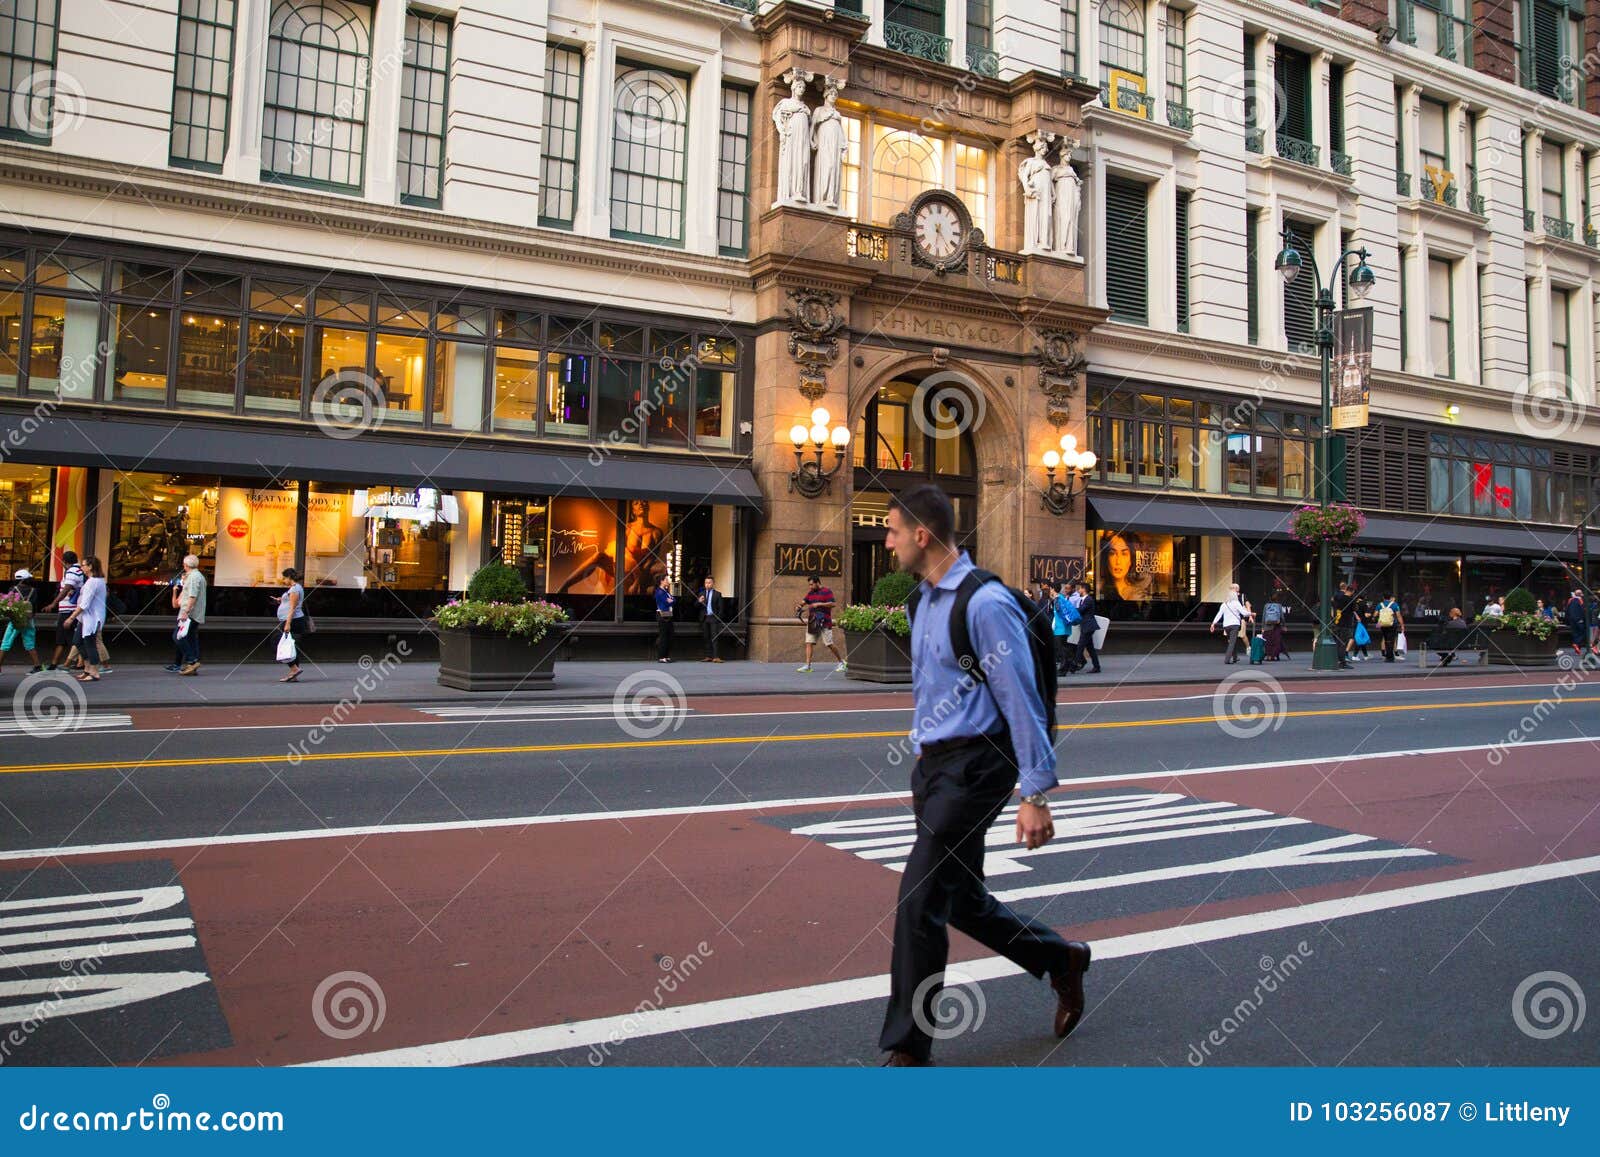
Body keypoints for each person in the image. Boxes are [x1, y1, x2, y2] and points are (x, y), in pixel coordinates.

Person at [877, 483, 1089, 1067]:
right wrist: (923, 755)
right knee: (962, 899)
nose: (887, 540)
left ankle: (908, 1048)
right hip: (939, 768)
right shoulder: (921, 602)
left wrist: (1035, 793)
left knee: (919, 898)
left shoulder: (985, 603)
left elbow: (1021, 698)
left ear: (922, 535)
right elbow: (932, 690)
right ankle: (1060, 959)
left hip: (979, 766)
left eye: (892, 530)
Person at [61, 556, 106, 682]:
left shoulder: (94, 582)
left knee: (89, 643)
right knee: (78, 641)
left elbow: (85, 604)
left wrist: (71, 618)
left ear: (90, 566)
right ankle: (87, 668)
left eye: (84, 565)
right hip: (85, 617)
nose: (81, 567)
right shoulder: (93, 580)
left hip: (91, 617)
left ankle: (94, 672)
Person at [42, 550, 85, 670]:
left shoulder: (72, 571)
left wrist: (53, 604)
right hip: (70, 609)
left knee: (66, 638)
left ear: (64, 562)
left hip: (68, 609)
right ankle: (59, 663)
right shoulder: (79, 570)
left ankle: (82, 661)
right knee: (67, 637)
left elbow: (66, 589)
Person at [795, 576, 846, 673]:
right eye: (809, 584)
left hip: (825, 621)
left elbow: (833, 604)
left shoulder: (827, 591)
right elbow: (803, 602)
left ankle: (841, 662)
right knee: (809, 642)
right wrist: (799, 606)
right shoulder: (810, 593)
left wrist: (819, 604)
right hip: (813, 621)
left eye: (811, 584)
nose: (810, 586)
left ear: (817, 583)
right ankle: (808, 666)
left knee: (829, 643)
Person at [0, 569, 43, 674]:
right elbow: (35, 607)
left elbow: (9, 605)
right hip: (29, 620)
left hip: (16, 620)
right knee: (30, 643)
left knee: (5, 643)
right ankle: (37, 666)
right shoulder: (34, 590)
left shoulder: (13, 589)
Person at [175, 553, 207, 676]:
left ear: (186, 565)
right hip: (196, 613)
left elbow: (192, 595)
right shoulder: (198, 576)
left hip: (190, 614)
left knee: (178, 636)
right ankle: (193, 662)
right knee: (191, 637)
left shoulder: (193, 577)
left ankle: (191, 660)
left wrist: (186, 612)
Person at [275, 566, 309, 682]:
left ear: (289, 577)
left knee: (277, 642)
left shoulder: (294, 589)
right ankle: (294, 674)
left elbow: (293, 608)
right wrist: (281, 600)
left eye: (284, 578)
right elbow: (291, 602)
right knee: (292, 647)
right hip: (296, 620)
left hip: (293, 621)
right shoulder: (296, 588)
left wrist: (287, 624)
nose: (284, 580)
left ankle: (294, 669)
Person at [1210, 582, 1250, 664]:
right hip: (1234, 625)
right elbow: (1244, 613)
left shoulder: (1224, 604)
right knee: (1232, 642)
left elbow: (1219, 615)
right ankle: (1227, 660)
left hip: (1226, 626)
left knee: (1232, 640)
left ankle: (1235, 657)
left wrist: (1213, 624)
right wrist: (1252, 614)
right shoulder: (1236, 603)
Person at [1072, 581, 1102, 674]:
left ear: (1084, 589)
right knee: (1090, 648)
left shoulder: (1088, 599)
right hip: (1087, 626)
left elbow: (1081, 610)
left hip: (1088, 627)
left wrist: (1070, 608)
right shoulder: (1084, 599)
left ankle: (1074, 666)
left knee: (1080, 646)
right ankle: (1097, 667)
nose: (1078, 590)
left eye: (1080, 588)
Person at [695, 576, 726, 663]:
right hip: (704, 618)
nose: (707, 584)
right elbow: (695, 606)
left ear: (713, 583)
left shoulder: (717, 594)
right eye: (706, 583)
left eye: (709, 583)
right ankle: (708, 656)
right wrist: (699, 601)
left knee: (714, 637)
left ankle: (716, 656)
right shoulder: (701, 593)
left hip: (713, 618)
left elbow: (721, 608)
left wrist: (717, 618)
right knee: (706, 637)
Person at [1331, 582, 1356, 669]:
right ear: (1352, 591)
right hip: (1346, 624)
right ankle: (1342, 662)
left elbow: (1333, 604)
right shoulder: (1351, 600)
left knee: (1338, 643)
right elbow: (1354, 609)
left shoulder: (1339, 598)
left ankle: (1338, 660)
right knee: (1343, 643)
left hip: (1338, 622)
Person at [1375, 592, 1404, 663]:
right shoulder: (1394, 605)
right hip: (1392, 625)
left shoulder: (1380, 605)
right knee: (1391, 640)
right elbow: (1398, 615)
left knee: (1386, 640)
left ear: (1383, 597)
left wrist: (1378, 622)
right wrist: (1402, 625)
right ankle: (1390, 657)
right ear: (1390, 597)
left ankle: (1387, 656)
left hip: (1383, 625)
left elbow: (1375, 615)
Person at [1262, 588, 1289, 661]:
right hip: (1276, 626)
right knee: (1276, 642)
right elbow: (1282, 617)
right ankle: (1273, 656)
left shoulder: (1266, 605)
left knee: (1267, 642)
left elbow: (1264, 616)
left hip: (1267, 627)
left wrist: (1263, 627)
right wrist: (1284, 625)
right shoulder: (1279, 605)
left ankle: (1268, 655)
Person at [653, 575, 675, 663]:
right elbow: (666, 602)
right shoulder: (659, 591)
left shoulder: (665, 591)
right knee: (663, 635)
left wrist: (671, 600)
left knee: (669, 635)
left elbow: (673, 600)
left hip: (668, 614)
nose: (668, 581)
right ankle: (661, 656)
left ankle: (666, 655)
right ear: (661, 581)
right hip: (662, 615)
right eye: (666, 579)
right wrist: (671, 601)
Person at [1564, 589, 1591, 658]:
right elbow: (1583, 611)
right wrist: (1583, 619)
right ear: (1580, 594)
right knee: (1583, 633)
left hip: (1572, 621)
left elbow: (1566, 611)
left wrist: (1567, 621)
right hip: (1579, 620)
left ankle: (1577, 648)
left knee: (1575, 633)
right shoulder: (1580, 601)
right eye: (1581, 593)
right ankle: (1576, 644)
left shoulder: (1570, 600)